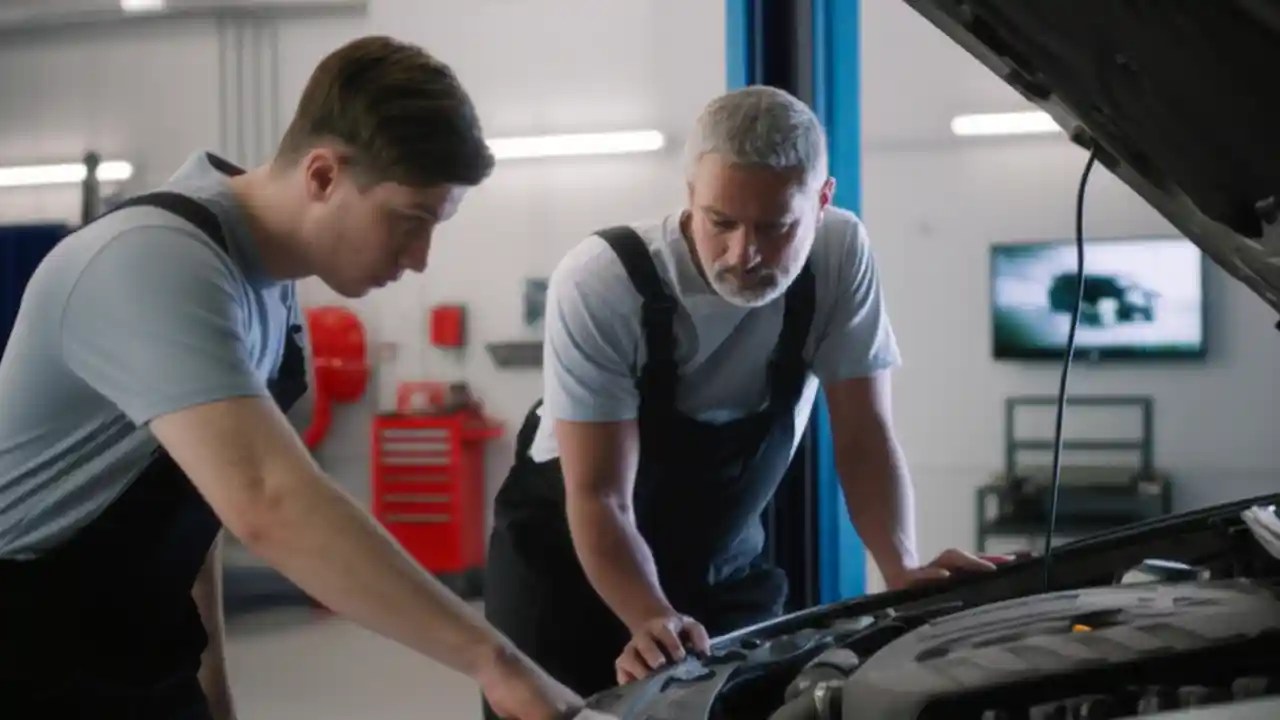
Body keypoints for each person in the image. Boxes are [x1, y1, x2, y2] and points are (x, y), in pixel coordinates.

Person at [0, 35, 581, 720]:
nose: (422, 258)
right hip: (24, 646)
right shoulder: (153, 261)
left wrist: (213, 689)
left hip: (131, 641)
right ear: (323, 176)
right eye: (410, 220)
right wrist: (497, 662)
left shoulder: (269, 289)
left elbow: (195, 507)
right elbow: (266, 499)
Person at [481, 85, 996, 708]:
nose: (743, 255)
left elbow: (863, 437)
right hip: (569, 558)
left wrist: (902, 569)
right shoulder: (603, 282)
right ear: (690, 197)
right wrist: (650, 616)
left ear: (823, 201)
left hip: (721, 558)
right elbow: (599, 495)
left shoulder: (839, 255)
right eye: (719, 222)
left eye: (776, 227)